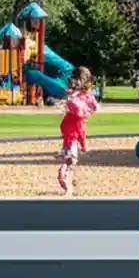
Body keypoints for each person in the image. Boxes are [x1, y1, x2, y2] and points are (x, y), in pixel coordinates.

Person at [57, 66, 100, 196]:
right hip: (74, 135)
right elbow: (82, 132)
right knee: (71, 160)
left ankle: (69, 182)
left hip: (67, 133)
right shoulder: (83, 100)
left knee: (69, 154)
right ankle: (65, 175)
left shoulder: (74, 98)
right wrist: (84, 145)